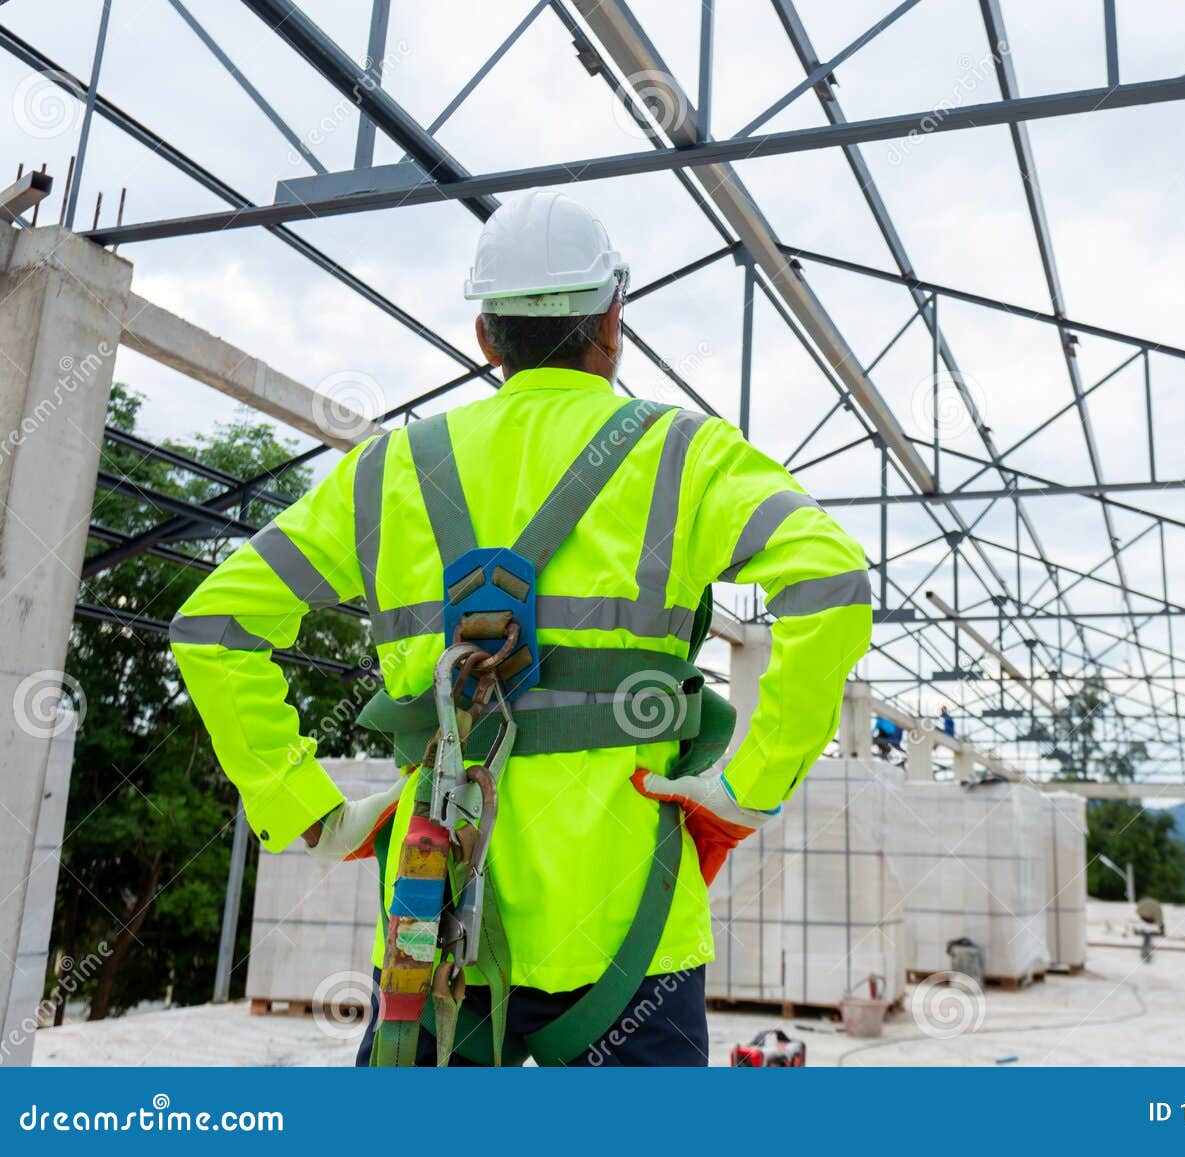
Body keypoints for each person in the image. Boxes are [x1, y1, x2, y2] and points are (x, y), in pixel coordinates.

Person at [170, 190, 872, 1066]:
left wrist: (307, 809)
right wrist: (753, 783)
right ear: (613, 320)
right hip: (632, 931)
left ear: (484, 336)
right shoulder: (684, 455)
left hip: (435, 922)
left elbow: (213, 626)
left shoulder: (386, 472)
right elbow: (832, 579)